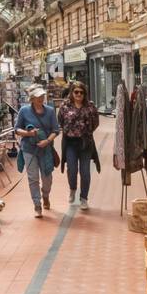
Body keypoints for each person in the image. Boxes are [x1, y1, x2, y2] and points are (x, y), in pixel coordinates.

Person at [15, 84, 59, 218]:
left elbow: (55, 130)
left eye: (42, 96)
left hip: (45, 149)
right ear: (32, 98)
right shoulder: (24, 111)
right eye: (38, 96)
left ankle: (45, 195)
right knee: (33, 178)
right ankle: (37, 204)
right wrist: (28, 134)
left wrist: (47, 141)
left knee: (47, 178)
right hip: (29, 149)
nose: (41, 98)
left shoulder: (50, 111)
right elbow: (17, 129)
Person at [58, 81, 99, 209]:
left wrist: (87, 131)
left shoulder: (90, 106)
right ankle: (72, 189)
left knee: (85, 172)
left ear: (85, 93)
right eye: (76, 92)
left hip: (85, 143)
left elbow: (96, 122)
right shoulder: (65, 106)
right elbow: (60, 120)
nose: (79, 94)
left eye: (81, 92)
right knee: (72, 170)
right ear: (72, 92)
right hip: (70, 143)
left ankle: (83, 198)